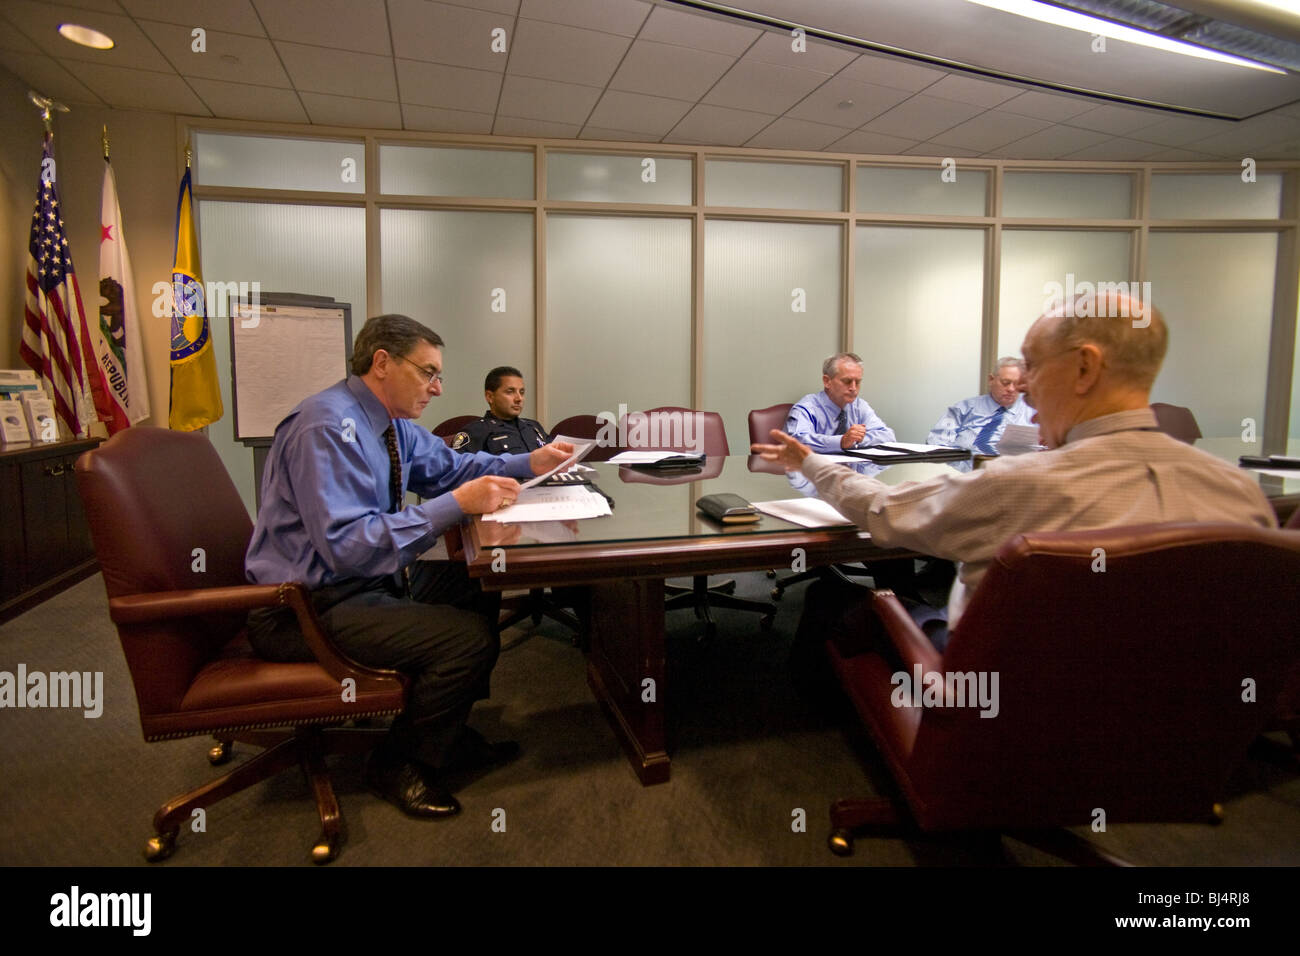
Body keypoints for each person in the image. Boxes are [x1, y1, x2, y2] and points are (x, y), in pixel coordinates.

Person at [755, 292, 1276, 659]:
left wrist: (811, 463)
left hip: (1005, 704)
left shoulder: (1018, 487)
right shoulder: (1241, 498)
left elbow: (883, 512)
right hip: (1160, 728)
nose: (1021, 390)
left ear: (1085, 369)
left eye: (1031, 367)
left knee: (831, 598)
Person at [244, 314, 573, 819]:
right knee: (468, 639)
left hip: (359, 584)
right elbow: (348, 547)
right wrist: (455, 505)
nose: (438, 389)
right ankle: (399, 762)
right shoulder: (328, 426)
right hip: (304, 607)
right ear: (382, 363)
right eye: (428, 373)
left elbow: (454, 467)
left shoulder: (393, 425)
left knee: (470, 584)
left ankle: (446, 728)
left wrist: (529, 464)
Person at [786, 352, 896, 453]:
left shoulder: (859, 406)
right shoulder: (807, 408)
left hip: (852, 471)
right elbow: (797, 441)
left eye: (857, 382)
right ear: (827, 381)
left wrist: (854, 441)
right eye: (847, 381)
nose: (853, 388)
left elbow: (887, 436)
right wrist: (840, 442)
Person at [926, 357, 1036, 453]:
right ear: (991, 380)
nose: (1011, 389)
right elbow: (936, 444)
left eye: (1017, 384)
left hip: (1013, 472)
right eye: (1005, 382)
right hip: (964, 471)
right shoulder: (963, 409)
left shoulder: (1034, 414)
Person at [452, 366, 551, 454]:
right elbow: (458, 470)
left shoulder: (534, 427)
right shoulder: (476, 431)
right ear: (490, 396)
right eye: (510, 392)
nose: (519, 398)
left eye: (522, 392)